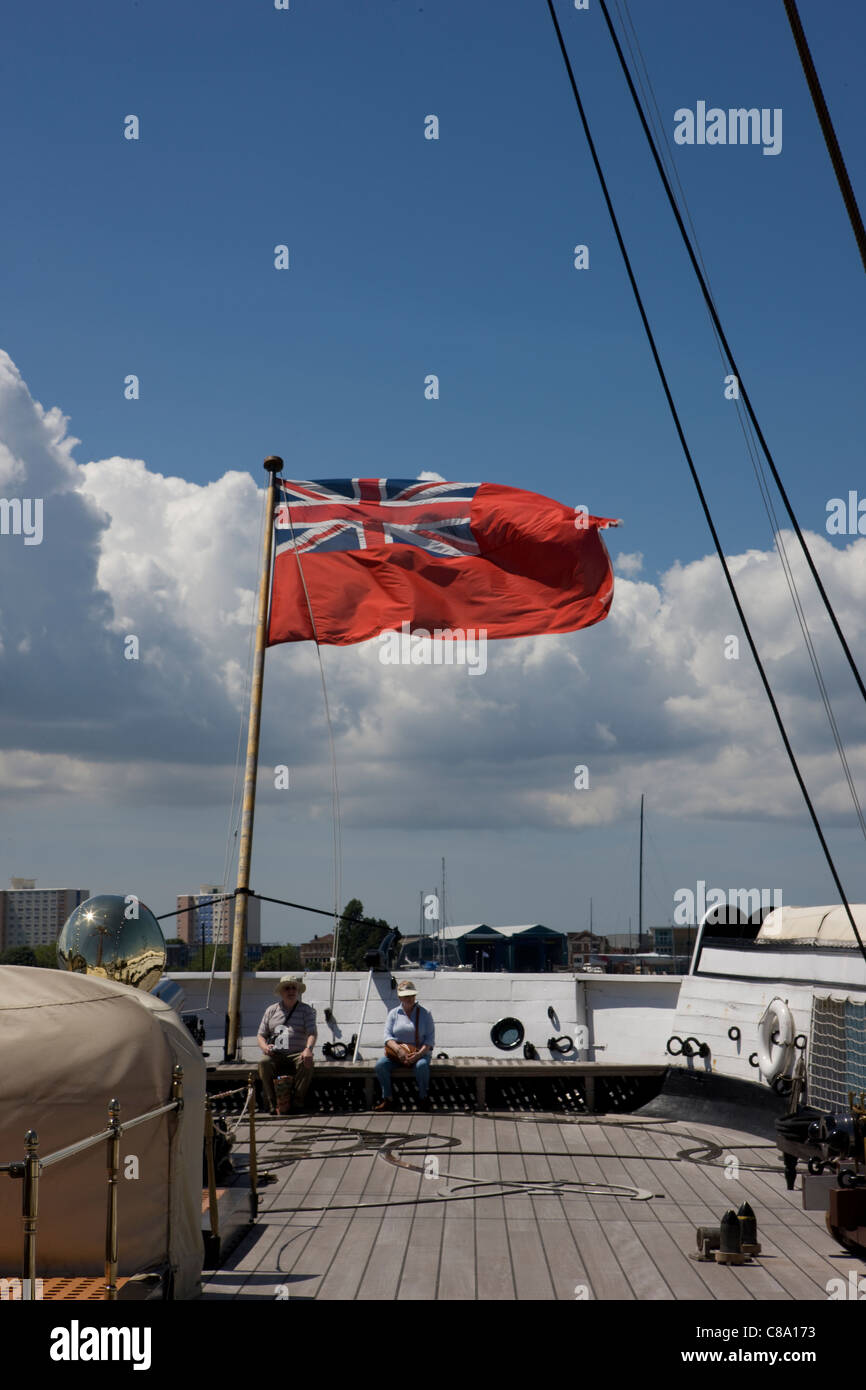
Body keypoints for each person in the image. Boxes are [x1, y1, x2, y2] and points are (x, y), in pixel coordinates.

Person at [257, 975, 317, 1114]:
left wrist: (308, 1049)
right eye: (287, 988)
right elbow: (260, 1035)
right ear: (281, 992)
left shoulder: (306, 1010)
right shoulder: (271, 1010)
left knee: (307, 1062)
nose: (291, 991)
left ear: (297, 991)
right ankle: (273, 1103)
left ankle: (296, 1102)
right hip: (276, 1053)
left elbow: (312, 1033)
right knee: (263, 1063)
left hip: (297, 1053)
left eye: (293, 988)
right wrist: (265, 1047)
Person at [374, 980, 434, 1111]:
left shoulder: (425, 1013)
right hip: (398, 1054)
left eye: (412, 995)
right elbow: (387, 1037)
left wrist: (418, 1055)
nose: (410, 998)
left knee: (422, 1066)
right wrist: (398, 1050)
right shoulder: (393, 1014)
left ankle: (423, 1097)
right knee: (380, 1066)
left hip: (419, 1052)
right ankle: (388, 1099)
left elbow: (429, 1040)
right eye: (407, 996)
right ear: (400, 997)